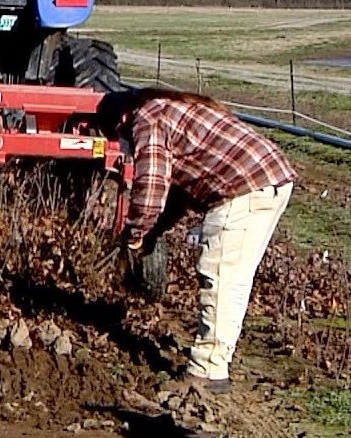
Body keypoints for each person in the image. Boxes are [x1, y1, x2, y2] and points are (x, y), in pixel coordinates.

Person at [96, 87, 297, 393]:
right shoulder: (173, 108)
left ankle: (207, 372)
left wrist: (134, 235)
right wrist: (151, 233)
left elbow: (151, 185)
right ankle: (217, 359)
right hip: (270, 178)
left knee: (220, 275)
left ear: (121, 118)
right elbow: (175, 196)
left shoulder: (146, 118)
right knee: (235, 277)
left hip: (242, 187)